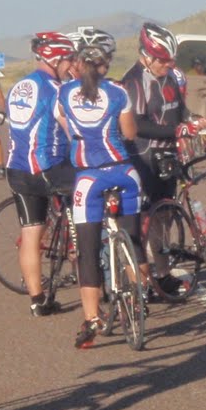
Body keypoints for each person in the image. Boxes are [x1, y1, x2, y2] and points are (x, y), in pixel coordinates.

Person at [55, 37, 141, 347]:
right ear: (104, 66)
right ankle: (136, 300)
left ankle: (92, 318)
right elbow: (130, 133)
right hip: (124, 172)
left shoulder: (64, 93)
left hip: (88, 178)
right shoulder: (119, 92)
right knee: (135, 240)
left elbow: (65, 125)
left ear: (78, 65)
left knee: (88, 252)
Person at [120, 22, 205, 301]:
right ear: (146, 56)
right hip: (143, 158)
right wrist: (177, 131)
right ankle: (139, 282)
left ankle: (163, 274)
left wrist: (190, 122)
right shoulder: (133, 81)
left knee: (164, 218)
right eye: (163, 60)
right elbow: (137, 125)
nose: (168, 65)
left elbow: (177, 110)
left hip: (168, 156)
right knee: (144, 222)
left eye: (171, 60)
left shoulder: (169, 77)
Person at [5, 31, 79, 316]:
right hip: (49, 166)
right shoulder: (57, 90)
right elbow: (72, 130)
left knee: (31, 232)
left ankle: (37, 300)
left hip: (17, 168)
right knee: (85, 210)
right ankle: (90, 277)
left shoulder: (19, 86)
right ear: (55, 58)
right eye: (69, 58)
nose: (71, 63)